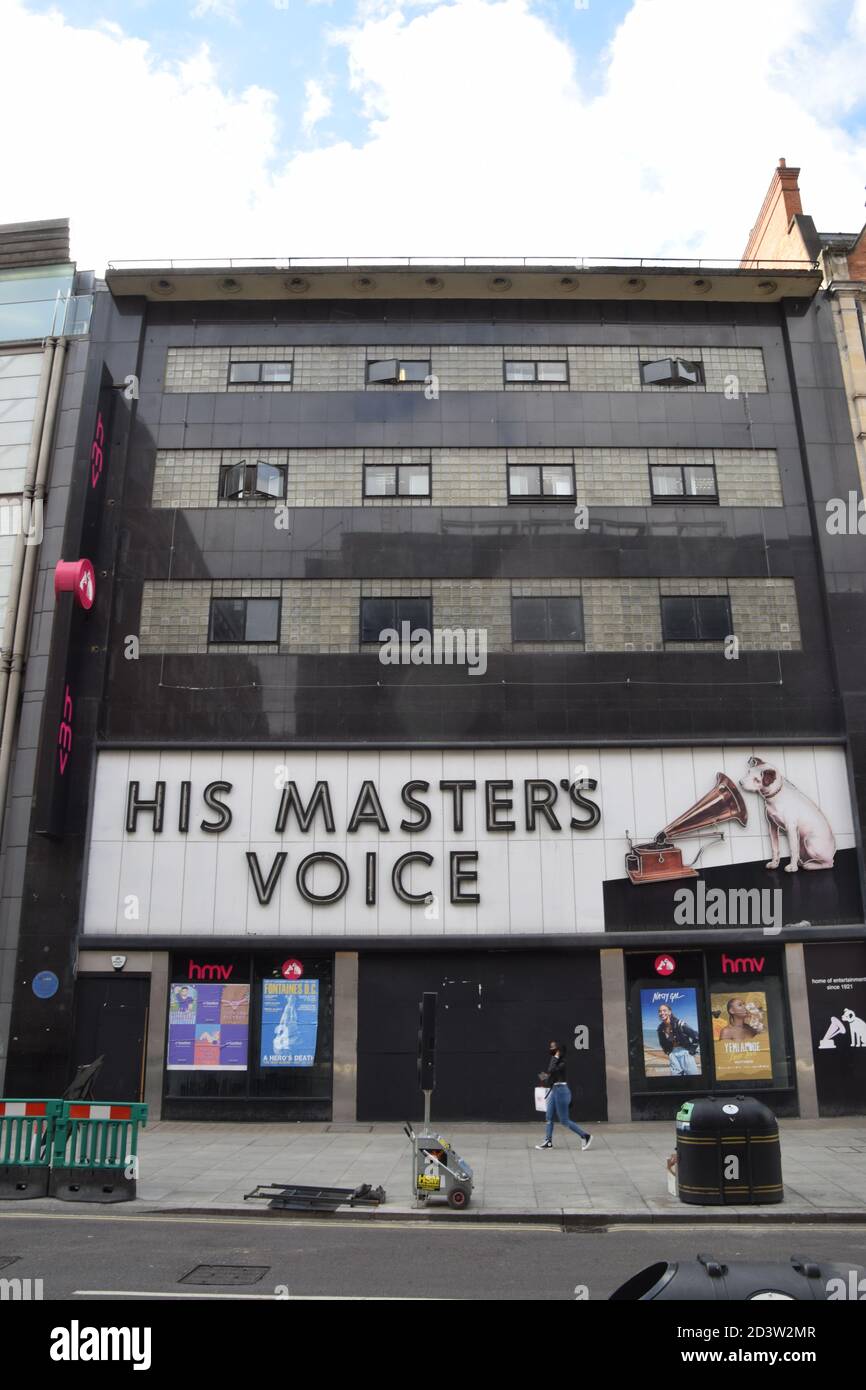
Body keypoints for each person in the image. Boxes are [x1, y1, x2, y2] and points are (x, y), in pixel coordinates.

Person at [535, 1039, 592, 1151]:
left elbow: (551, 1069)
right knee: (549, 1117)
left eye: (553, 1048)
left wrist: (555, 1057)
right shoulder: (557, 1061)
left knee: (564, 1120)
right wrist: (543, 1081)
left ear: (559, 1050)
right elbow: (549, 1076)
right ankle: (548, 1141)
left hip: (561, 1091)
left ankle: (585, 1136)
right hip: (554, 1090)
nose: (551, 1049)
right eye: (550, 1047)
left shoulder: (562, 1063)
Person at [657, 1003, 700, 1076]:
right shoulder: (660, 1028)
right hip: (673, 1054)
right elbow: (662, 1043)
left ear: (670, 1012)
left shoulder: (680, 1023)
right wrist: (668, 1053)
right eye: (660, 1011)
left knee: (693, 1077)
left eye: (664, 1010)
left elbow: (696, 1036)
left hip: (685, 1053)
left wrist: (692, 1049)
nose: (662, 1013)